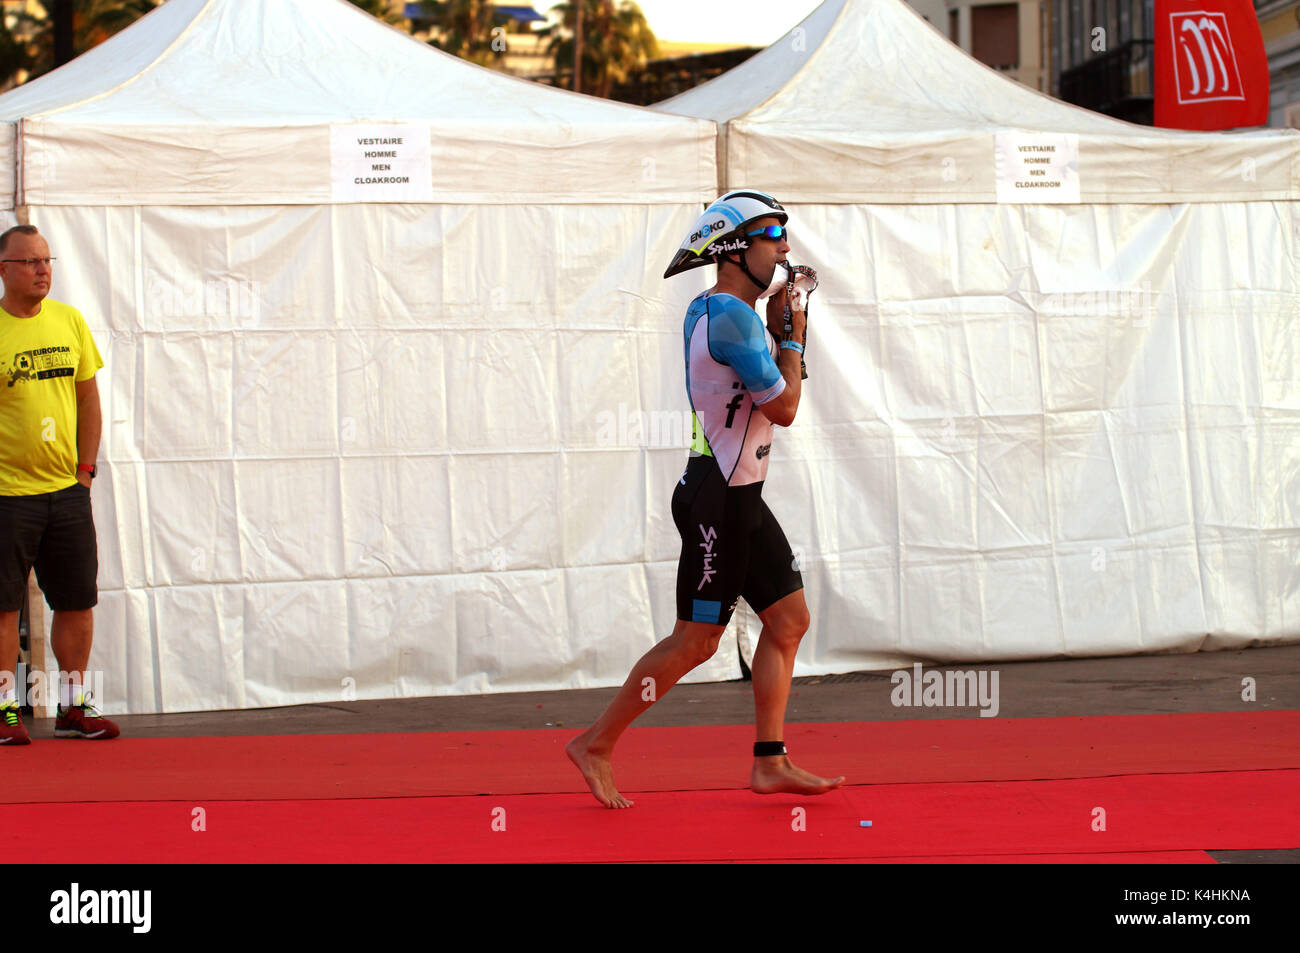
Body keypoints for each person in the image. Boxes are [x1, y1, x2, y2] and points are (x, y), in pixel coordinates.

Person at [567, 190, 842, 807]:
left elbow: (749, 401)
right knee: (697, 640)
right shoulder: (732, 318)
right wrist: (793, 339)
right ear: (738, 249)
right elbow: (786, 409)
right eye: (773, 237)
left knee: (788, 620)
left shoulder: (714, 308)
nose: (785, 249)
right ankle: (595, 743)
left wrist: (780, 336)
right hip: (718, 501)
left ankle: (770, 761)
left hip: (734, 494)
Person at [0, 224, 119, 744]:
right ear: (4, 270)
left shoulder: (69, 321)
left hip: (66, 493)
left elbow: (89, 399)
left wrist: (85, 471)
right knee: (4, 606)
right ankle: (5, 710)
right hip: (7, 496)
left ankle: (75, 706)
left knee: (75, 601)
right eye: (29, 262)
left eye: (47, 260)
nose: (42, 270)